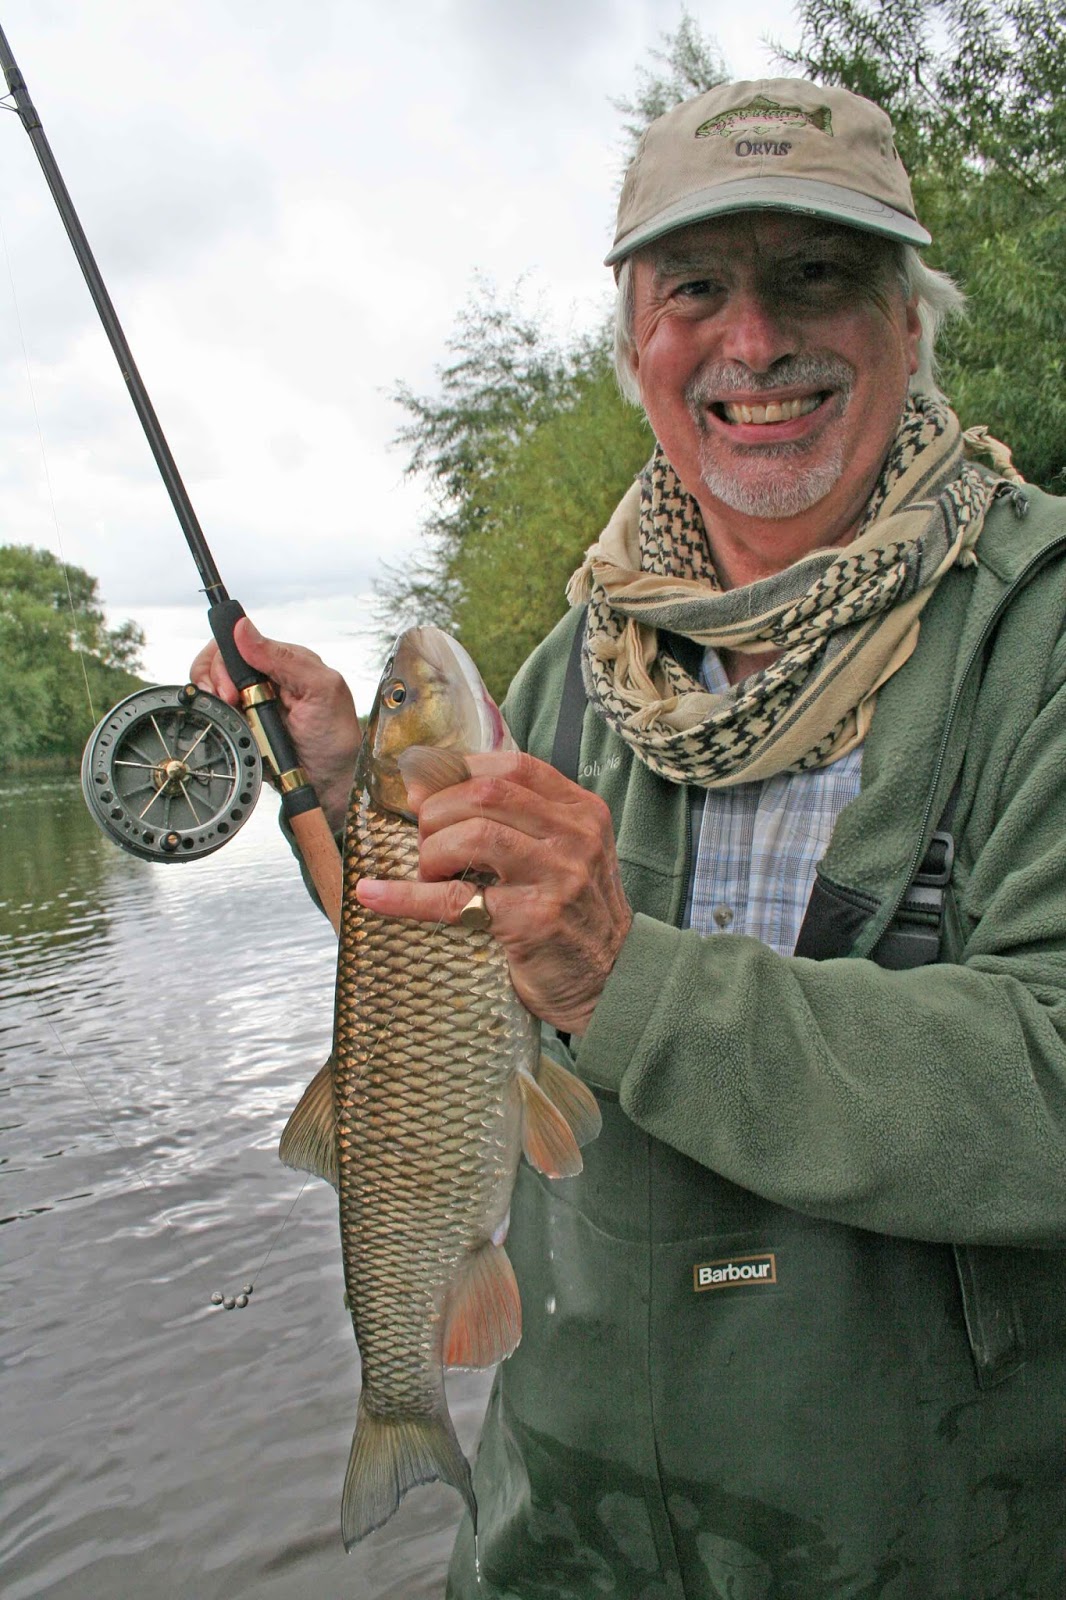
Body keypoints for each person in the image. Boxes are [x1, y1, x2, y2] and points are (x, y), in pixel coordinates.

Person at [193, 78, 1066, 1599]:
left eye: (815, 275)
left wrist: (625, 978)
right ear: (637, 346)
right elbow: (443, 995)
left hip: (929, 1528)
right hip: (568, 1523)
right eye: (695, 291)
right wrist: (347, 797)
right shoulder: (567, 670)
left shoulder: (1036, 637)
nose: (753, 342)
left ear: (909, 320)